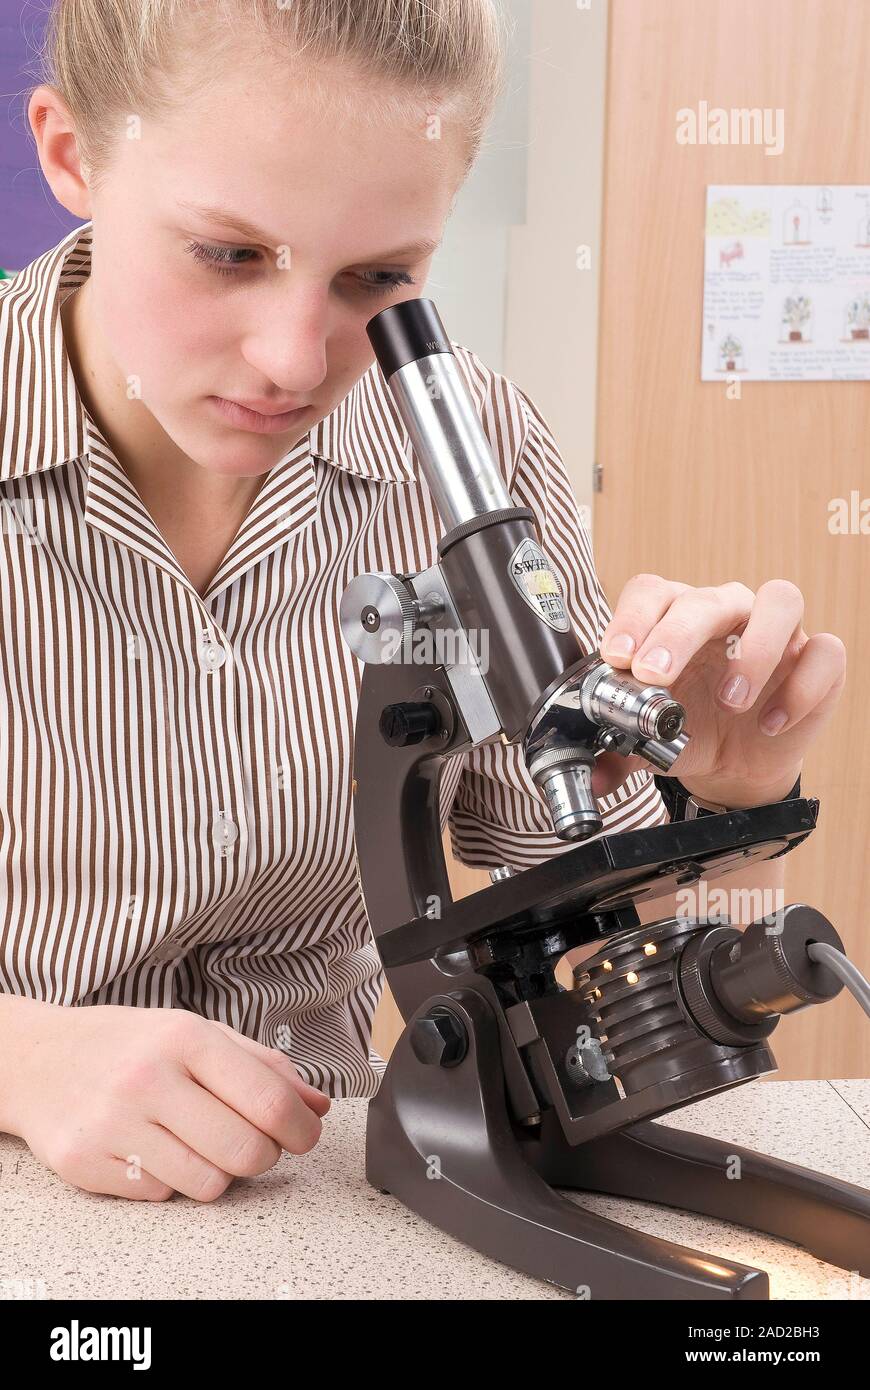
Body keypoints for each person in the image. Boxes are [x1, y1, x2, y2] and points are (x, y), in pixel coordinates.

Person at [0, 0, 845, 1205]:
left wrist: (712, 788)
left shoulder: (478, 445)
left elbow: (562, 903)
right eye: (228, 253)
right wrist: (21, 1059)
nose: (296, 359)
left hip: (324, 1181)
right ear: (71, 153)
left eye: (379, 276)